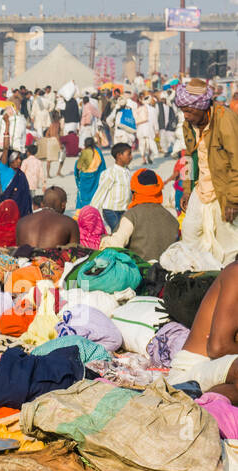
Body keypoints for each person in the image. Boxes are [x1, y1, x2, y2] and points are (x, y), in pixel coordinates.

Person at [178, 79, 238, 266]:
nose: (186, 116)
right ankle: (197, 276)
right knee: (190, 230)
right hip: (201, 187)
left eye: (189, 111)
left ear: (202, 107)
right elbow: (188, 158)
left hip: (225, 188)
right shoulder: (188, 125)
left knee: (228, 239)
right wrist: (187, 190)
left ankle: (227, 280)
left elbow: (236, 161)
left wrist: (234, 200)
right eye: (183, 111)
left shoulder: (225, 119)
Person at [168, 260, 238, 402]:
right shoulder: (235, 273)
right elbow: (218, 347)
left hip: (222, 374)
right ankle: (191, 404)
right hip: (189, 375)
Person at [100, 169, 180, 261]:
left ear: (134, 191)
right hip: (166, 271)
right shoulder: (171, 219)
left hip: (141, 270)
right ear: (158, 190)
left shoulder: (131, 216)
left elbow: (116, 244)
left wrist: (104, 240)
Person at [89, 141, 133, 231]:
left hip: (124, 209)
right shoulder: (110, 173)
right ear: (119, 155)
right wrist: (92, 211)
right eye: (128, 154)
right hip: (111, 211)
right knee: (118, 231)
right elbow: (101, 192)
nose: (131, 157)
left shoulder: (127, 172)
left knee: (126, 232)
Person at [15, 187, 79, 248]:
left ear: (42, 203)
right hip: (53, 259)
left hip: (25, 258)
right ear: (63, 205)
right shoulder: (69, 223)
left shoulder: (22, 222)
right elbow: (75, 254)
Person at [74, 138, 105, 209]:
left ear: (84, 145)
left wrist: (78, 178)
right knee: (94, 194)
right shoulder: (98, 152)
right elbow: (102, 167)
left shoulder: (84, 152)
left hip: (84, 177)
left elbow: (77, 167)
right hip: (95, 178)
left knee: (82, 196)